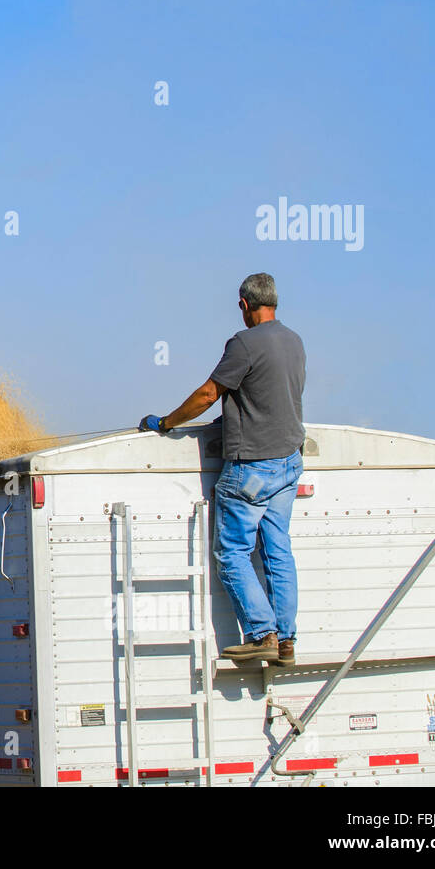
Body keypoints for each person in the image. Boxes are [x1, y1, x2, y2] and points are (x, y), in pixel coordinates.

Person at [138, 273, 306, 665]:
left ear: (244, 305)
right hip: (288, 460)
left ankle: (261, 633)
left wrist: (166, 423)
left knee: (232, 552)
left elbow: (208, 394)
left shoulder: (244, 343)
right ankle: (286, 641)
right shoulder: (295, 341)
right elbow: (269, 394)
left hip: (252, 465)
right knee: (278, 552)